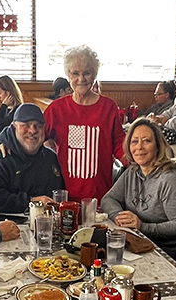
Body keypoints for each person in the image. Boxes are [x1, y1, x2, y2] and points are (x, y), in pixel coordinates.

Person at [100, 118, 176, 258]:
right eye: (134, 141)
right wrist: (120, 217)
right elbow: (108, 199)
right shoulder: (132, 171)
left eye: (147, 141)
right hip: (136, 244)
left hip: (165, 253)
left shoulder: (171, 179)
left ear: (158, 146)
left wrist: (142, 226)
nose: (139, 147)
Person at [44, 45, 126, 202]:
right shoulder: (56, 109)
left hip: (101, 195)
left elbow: (119, 145)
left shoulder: (108, 107)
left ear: (94, 74)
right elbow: (34, 135)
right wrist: (8, 142)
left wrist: (139, 159)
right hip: (64, 196)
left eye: (86, 73)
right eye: (75, 73)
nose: (81, 79)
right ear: (68, 75)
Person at [0, 103, 65, 214]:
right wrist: (31, 201)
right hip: (9, 225)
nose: (32, 131)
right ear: (14, 126)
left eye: (38, 126)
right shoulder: (0, 159)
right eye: (26, 125)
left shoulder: (51, 158)